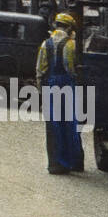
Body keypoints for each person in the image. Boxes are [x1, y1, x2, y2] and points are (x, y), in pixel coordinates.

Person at [36, 11, 84, 175]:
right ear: (70, 28)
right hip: (66, 85)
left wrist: (40, 90)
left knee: (53, 125)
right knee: (70, 124)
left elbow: (40, 70)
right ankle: (74, 161)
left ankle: (55, 164)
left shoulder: (45, 44)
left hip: (50, 85)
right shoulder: (71, 44)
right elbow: (71, 68)